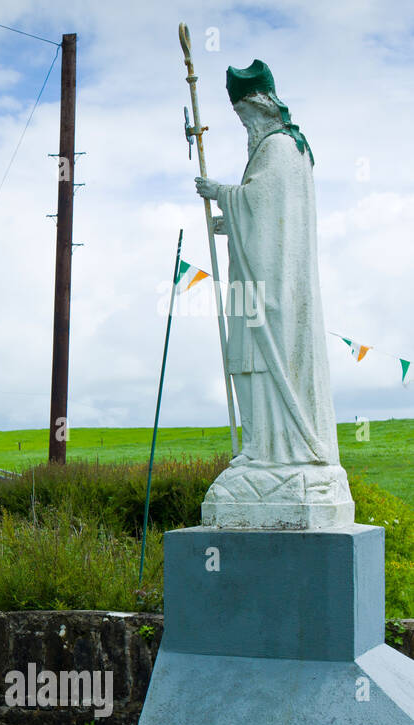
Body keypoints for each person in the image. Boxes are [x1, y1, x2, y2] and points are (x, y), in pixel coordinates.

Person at [193, 60, 352, 528]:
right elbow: (266, 221)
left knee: (263, 361)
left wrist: (220, 192)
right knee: (245, 362)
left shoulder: (280, 148)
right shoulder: (283, 149)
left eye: (244, 115)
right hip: (257, 280)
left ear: (261, 105)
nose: (243, 125)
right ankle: (259, 447)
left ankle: (276, 452)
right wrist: (227, 223)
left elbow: (260, 204)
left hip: (271, 291)